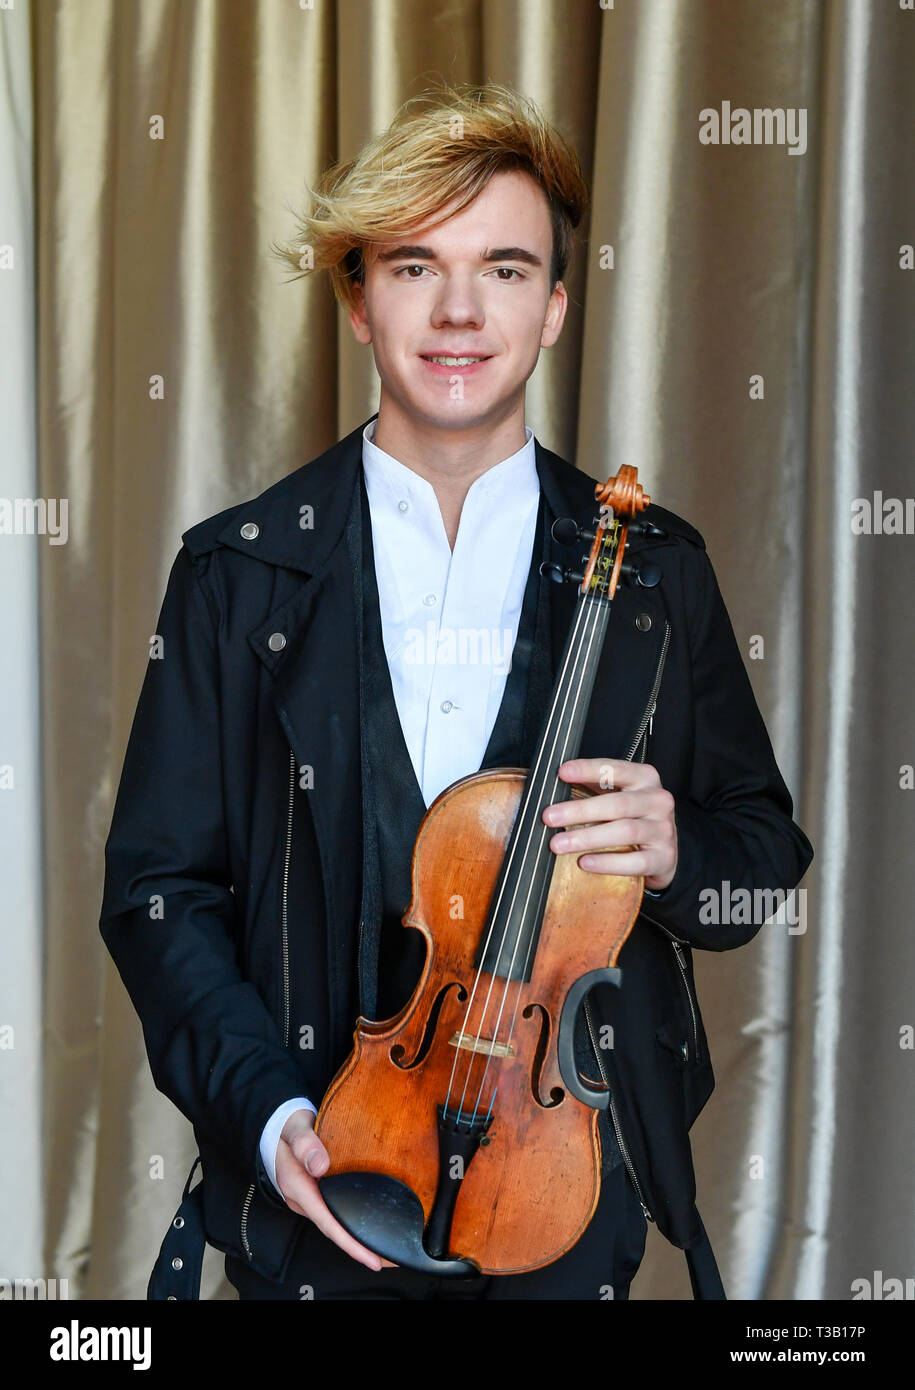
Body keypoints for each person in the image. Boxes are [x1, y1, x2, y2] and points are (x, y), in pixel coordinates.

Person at [100, 82, 813, 1301]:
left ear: (553, 310)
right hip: (318, 1181)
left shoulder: (655, 571)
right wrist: (272, 1122)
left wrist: (678, 848)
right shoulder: (238, 571)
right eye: (417, 266)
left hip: (566, 1187)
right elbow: (158, 893)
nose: (461, 311)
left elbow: (758, 865)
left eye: (507, 268)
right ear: (359, 299)